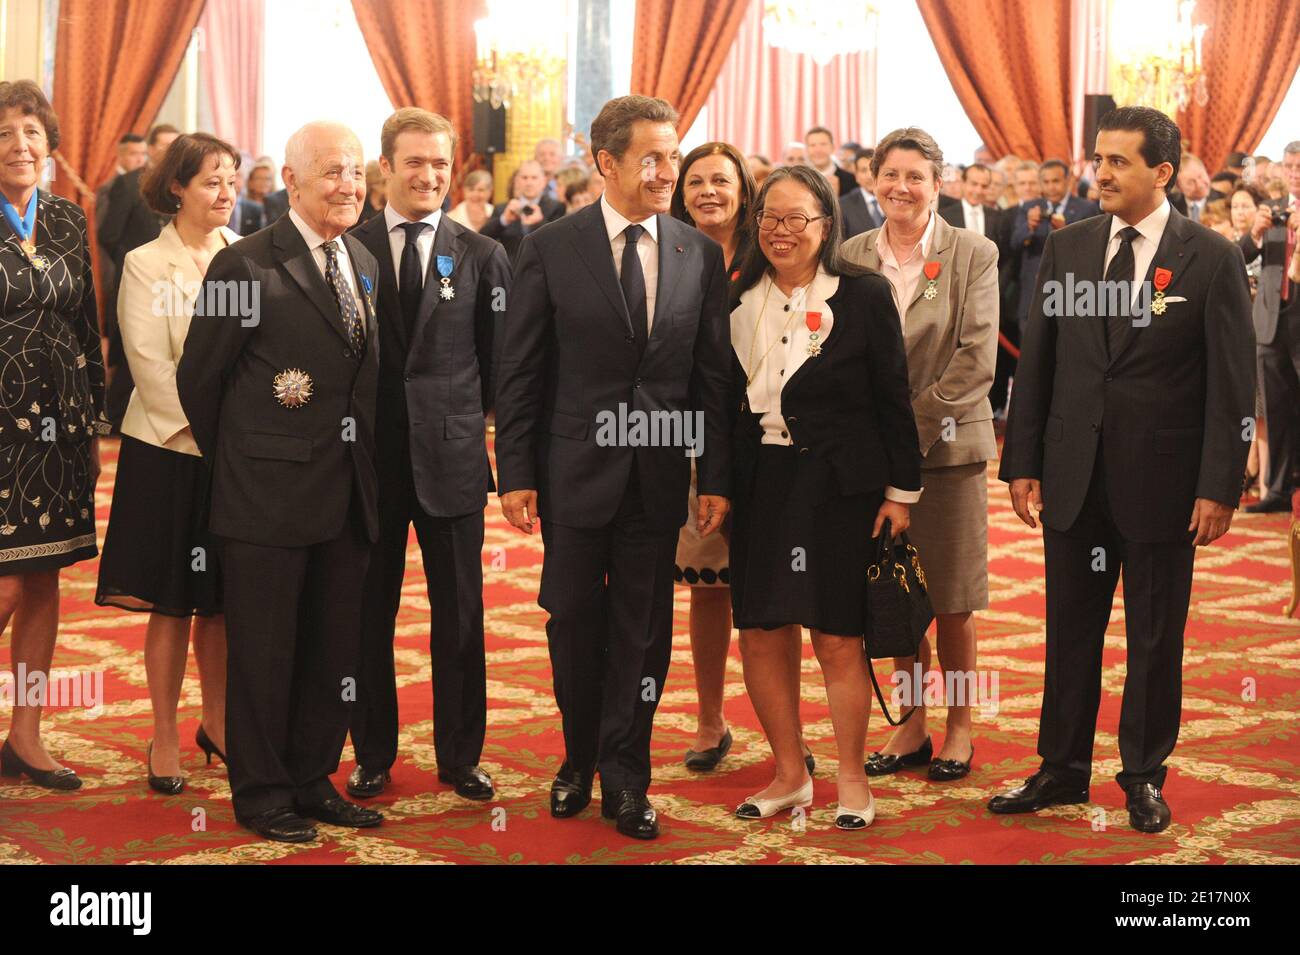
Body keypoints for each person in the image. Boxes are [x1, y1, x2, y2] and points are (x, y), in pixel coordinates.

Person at [993, 106, 1255, 833]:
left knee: (1153, 637)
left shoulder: (1209, 255)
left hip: (1166, 484)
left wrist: (1218, 484)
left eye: (1117, 162)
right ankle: (1060, 768)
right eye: (1097, 159)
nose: (1099, 173)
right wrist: (1023, 460)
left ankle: (1142, 773)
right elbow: (1040, 362)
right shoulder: (1069, 247)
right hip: (1074, 475)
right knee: (1068, 630)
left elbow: (1234, 386)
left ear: (1161, 172)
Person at [494, 95, 732, 840]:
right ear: (607, 162)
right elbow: (521, 371)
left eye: (674, 155)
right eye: (653, 158)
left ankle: (627, 775)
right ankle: (577, 758)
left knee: (643, 631)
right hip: (570, 473)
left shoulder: (700, 252)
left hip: (657, 478)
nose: (670, 173)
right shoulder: (551, 247)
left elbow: (712, 378)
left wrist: (715, 475)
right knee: (571, 620)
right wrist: (517, 472)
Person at [177, 120, 384, 843]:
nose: (349, 185)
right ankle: (262, 791)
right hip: (265, 498)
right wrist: (250, 462)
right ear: (291, 181)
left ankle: (309, 775)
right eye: (332, 171)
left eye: (356, 171)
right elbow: (199, 380)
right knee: (265, 652)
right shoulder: (246, 265)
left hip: (347, 494)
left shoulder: (363, 259)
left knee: (332, 648)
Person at [729, 164, 921, 829]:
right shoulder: (736, 294)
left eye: (798, 219)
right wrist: (715, 486)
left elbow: (893, 398)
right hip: (759, 482)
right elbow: (721, 403)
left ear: (827, 224)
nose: (783, 232)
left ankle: (850, 776)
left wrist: (902, 491)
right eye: (770, 219)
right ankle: (789, 772)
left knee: (836, 636)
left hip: (838, 486)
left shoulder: (862, 295)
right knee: (759, 629)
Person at [347, 108, 510, 802]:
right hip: (367, 467)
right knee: (365, 616)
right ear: (386, 167)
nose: (429, 175)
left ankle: (460, 754)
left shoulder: (481, 255)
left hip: (452, 464)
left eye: (440, 164)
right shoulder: (345, 249)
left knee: (461, 616)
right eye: (415, 162)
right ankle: (371, 753)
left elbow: (502, 370)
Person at [841, 127, 999, 783]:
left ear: (939, 185)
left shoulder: (971, 253)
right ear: (872, 181)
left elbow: (977, 356)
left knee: (954, 598)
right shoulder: (849, 253)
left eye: (916, 176)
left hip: (949, 452)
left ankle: (959, 724)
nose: (901, 187)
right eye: (890, 175)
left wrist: (910, 432)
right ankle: (911, 724)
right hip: (870, 462)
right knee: (893, 595)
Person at [95, 134, 242, 793]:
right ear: (178, 186)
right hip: (169, 450)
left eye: (232, 180)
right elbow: (149, 366)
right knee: (173, 603)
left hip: (231, 456)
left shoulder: (240, 256)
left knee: (219, 604)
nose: (225, 192)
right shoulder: (146, 262)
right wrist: (203, 433)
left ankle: (217, 723)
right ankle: (162, 735)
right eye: (212, 180)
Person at [669, 141, 812, 774]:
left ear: (743, 190)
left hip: (768, 442)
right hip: (690, 441)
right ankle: (709, 719)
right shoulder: (668, 250)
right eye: (695, 181)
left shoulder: (769, 253)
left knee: (781, 592)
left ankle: (791, 736)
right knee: (708, 589)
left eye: (721, 181)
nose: (708, 192)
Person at [0, 80, 111, 790]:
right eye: (5, 133)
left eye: (31, 132)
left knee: (42, 582)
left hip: (60, 432)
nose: (20, 146)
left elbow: (85, 325)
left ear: (50, 143)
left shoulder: (69, 219)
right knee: (6, 587)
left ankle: (27, 734)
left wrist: (95, 423)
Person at [98, 123, 181, 431]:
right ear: (152, 148)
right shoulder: (129, 183)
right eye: (166, 145)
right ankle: (115, 419)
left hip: (173, 284)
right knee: (130, 351)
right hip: (136, 277)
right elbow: (109, 234)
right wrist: (138, 260)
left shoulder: (180, 184)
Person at [1239, 141, 1300, 514]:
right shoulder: (1274, 210)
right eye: (1290, 165)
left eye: (1299, 165)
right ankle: (1275, 491)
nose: (1294, 171)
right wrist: (1256, 234)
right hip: (1271, 321)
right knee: (1274, 410)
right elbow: (1240, 258)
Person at [1011, 159, 1100, 335]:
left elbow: (1093, 249)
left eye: (1056, 181)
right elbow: (1014, 244)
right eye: (1046, 182)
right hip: (1033, 293)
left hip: (1072, 293)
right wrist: (1029, 226)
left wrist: (1065, 232)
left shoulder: (1087, 209)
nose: (1051, 187)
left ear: (1068, 181)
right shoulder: (1030, 208)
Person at [480, 159, 564, 261]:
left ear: (544, 181)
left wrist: (539, 223)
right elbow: (482, 239)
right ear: (517, 181)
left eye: (534, 178)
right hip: (511, 271)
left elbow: (560, 242)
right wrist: (504, 220)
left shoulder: (557, 207)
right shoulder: (502, 209)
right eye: (524, 178)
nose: (529, 182)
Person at [840, 147, 883, 239]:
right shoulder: (843, 205)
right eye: (863, 170)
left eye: (873, 169)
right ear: (856, 176)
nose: (869, 176)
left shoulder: (895, 199)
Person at [805, 126, 856, 198]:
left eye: (823, 144)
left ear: (832, 147)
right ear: (806, 150)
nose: (818, 150)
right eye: (812, 145)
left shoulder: (851, 180)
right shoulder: (800, 180)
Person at [236, 157, 277, 236]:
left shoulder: (279, 207)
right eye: (259, 178)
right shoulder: (240, 206)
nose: (263, 182)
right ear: (250, 182)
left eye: (267, 179)